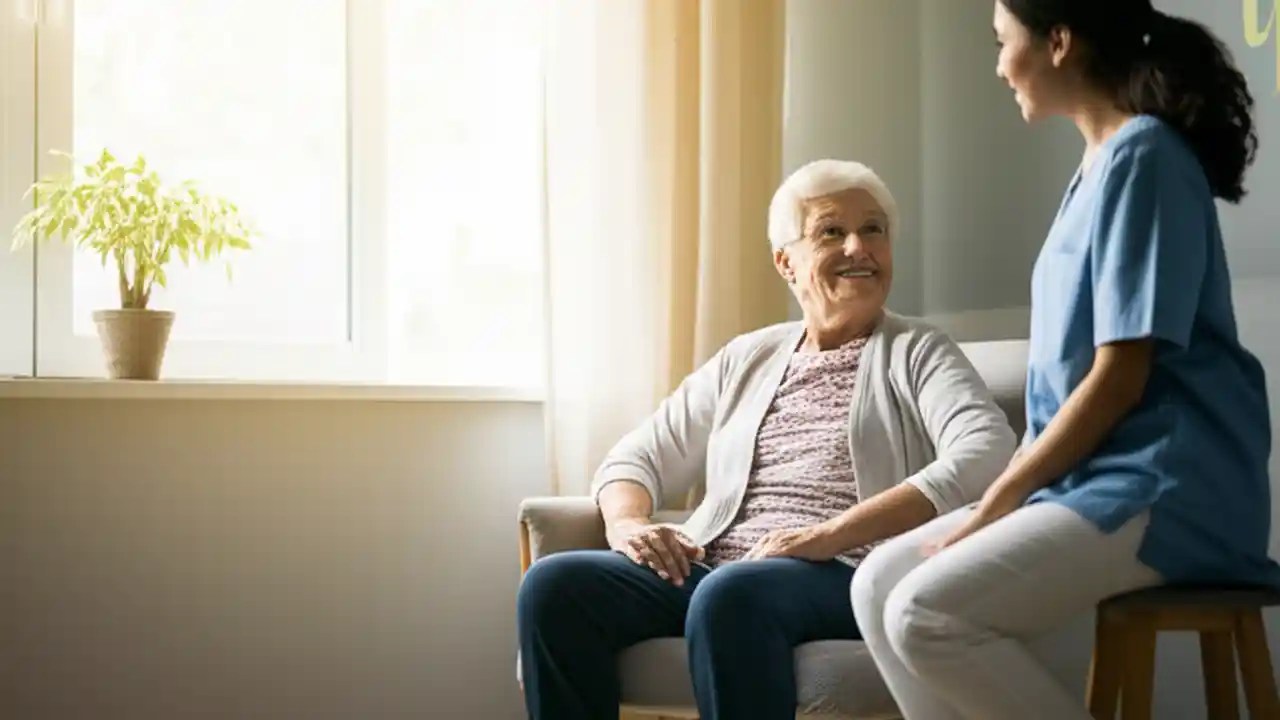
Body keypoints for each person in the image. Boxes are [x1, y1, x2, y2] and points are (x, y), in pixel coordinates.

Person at [852, 2, 1280, 719]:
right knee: (875, 586)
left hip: (1165, 485)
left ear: (1058, 41)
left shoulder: (1144, 156)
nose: (996, 65)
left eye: (1002, 43)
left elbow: (1119, 378)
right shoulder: (1097, 167)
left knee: (924, 613)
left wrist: (997, 502)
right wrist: (1006, 501)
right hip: (1095, 481)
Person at [516, 159, 1016, 720]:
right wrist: (629, 525)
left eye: (873, 229)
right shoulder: (748, 357)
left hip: (846, 571)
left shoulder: (920, 351)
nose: (859, 246)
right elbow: (636, 457)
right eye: (832, 231)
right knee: (555, 585)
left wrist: (830, 535)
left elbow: (986, 453)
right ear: (786, 262)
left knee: (732, 595)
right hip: (719, 565)